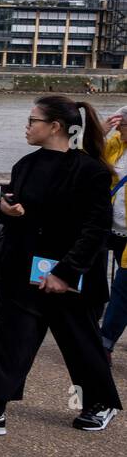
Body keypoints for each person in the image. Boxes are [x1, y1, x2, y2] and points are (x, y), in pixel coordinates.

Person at [0, 95, 122, 434]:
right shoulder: (25, 165)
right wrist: (4, 209)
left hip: (71, 279)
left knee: (80, 345)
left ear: (55, 127)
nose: (27, 127)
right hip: (22, 272)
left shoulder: (91, 171)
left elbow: (95, 230)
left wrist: (65, 272)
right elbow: (6, 212)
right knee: (11, 343)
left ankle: (100, 404)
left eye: (33, 121)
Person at [98, 105, 127, 356]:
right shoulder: (116, 143)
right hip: (108, 227)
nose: (119, 129)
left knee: (123, 287)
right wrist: (100, 133)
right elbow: (85, 161)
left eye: (122, 126)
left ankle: (104, 343)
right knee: (91, 275)